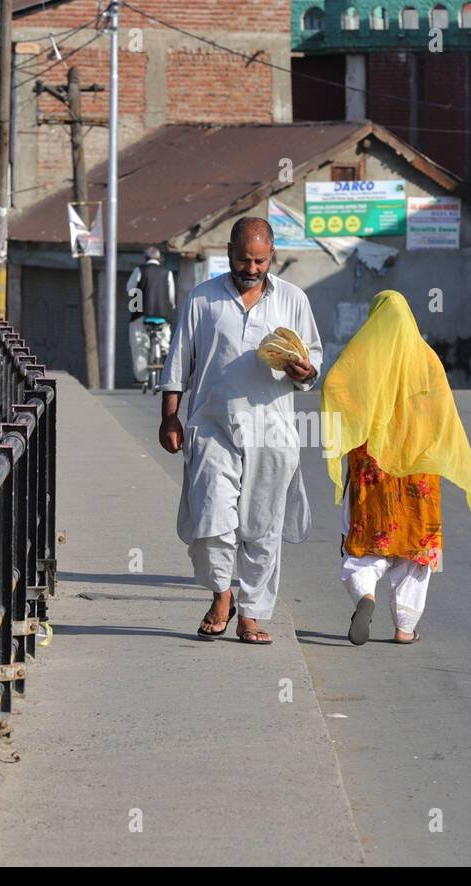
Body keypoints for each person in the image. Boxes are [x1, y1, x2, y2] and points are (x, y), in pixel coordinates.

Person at [158, 216, 322, 644]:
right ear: (229, 253)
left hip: (272, 433)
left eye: (260, 261)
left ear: (271, 258)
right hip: (212, 427)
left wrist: (305, 370)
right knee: (212, 517)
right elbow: (178, 364)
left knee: (262, 527)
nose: (252, 268)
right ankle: (221, 594)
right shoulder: (202, 300)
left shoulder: (293, 300)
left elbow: (312, 365)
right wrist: (170, 416)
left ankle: (252, 613)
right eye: (244, 259)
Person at [320, 290, 471, 646]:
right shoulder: (426, 360)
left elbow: (334, 385)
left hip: (373, 469)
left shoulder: (361, 358)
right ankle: (405, 627)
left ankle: (365, 595)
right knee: (415, 553)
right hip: (418, 471)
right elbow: (443, 417)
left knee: (366, 546)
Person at [127, 245, 175, 384]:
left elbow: (130, 289)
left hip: (141, 313)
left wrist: (135, 302)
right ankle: (165, 348)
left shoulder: (139, 270)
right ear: (159, 258)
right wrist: (170, 308)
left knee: (138, 343)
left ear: (145, 257)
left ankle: (142, 378)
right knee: (165, 332)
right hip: (163, 315)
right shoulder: (168, 272)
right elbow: (171, 297)